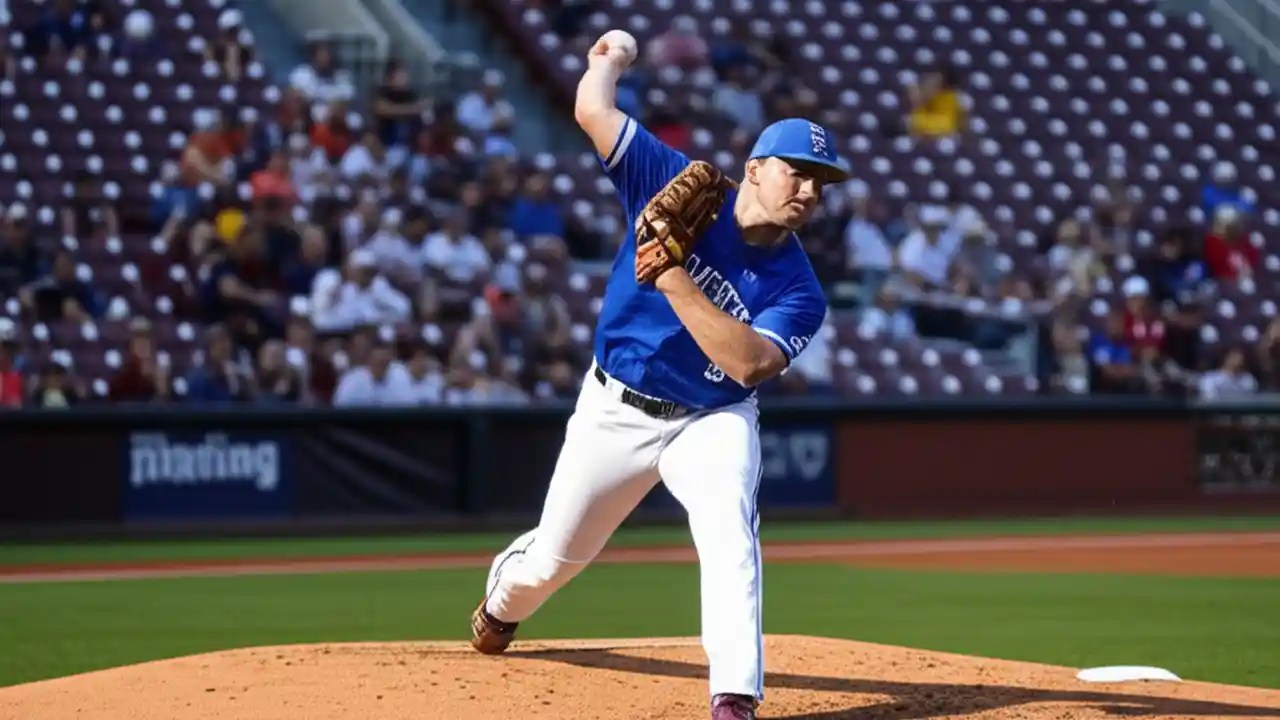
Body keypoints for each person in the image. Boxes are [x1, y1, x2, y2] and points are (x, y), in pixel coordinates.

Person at [468, 29, 844, 720]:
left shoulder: (801, 289)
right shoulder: (674, 180)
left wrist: (672, 277)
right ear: (756, 167)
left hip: (712, 415)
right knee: (552, 563)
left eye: (822, 180)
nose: (811, 189)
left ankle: (734, 698)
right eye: (798, 170)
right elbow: (591, 112)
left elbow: (749, 363)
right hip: (614, 407)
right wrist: (606, 63)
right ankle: (502, 601)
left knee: (731, 534)